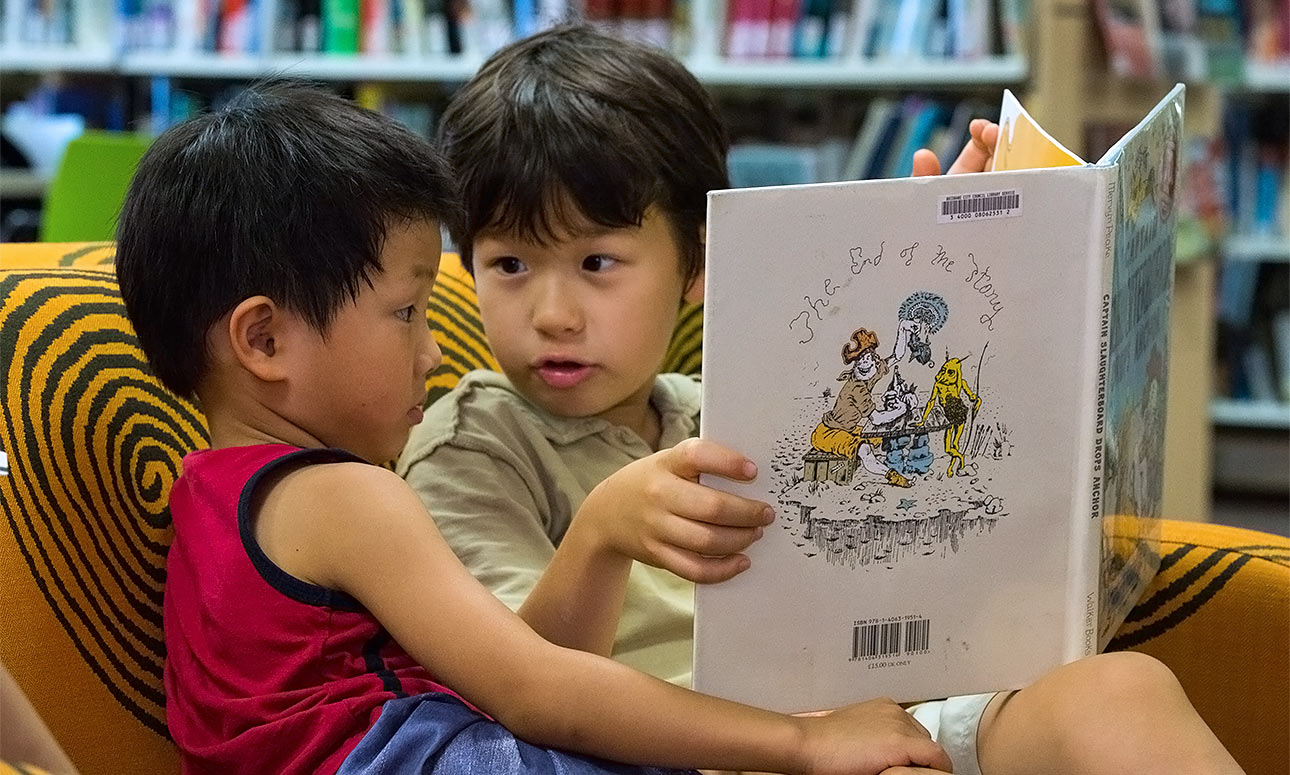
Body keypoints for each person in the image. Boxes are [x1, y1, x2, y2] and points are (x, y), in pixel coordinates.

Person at [398, 26, 1244, 775]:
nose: (552, 313)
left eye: (596, 263)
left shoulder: (725, 403)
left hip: (886, 701)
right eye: (510, 264)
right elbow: (517, 695)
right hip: (709, 749)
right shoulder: (473, 446)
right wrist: (600, 536)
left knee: (1123, 692)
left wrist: (956, 248)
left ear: (698, 266)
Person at [114, 79, 965, 775]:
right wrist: (803, 743)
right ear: (264, 341)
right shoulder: (345, 497)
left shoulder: (205, 493)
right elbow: (536, 691)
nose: (431, 349)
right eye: (406, 312)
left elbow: (515, 680)